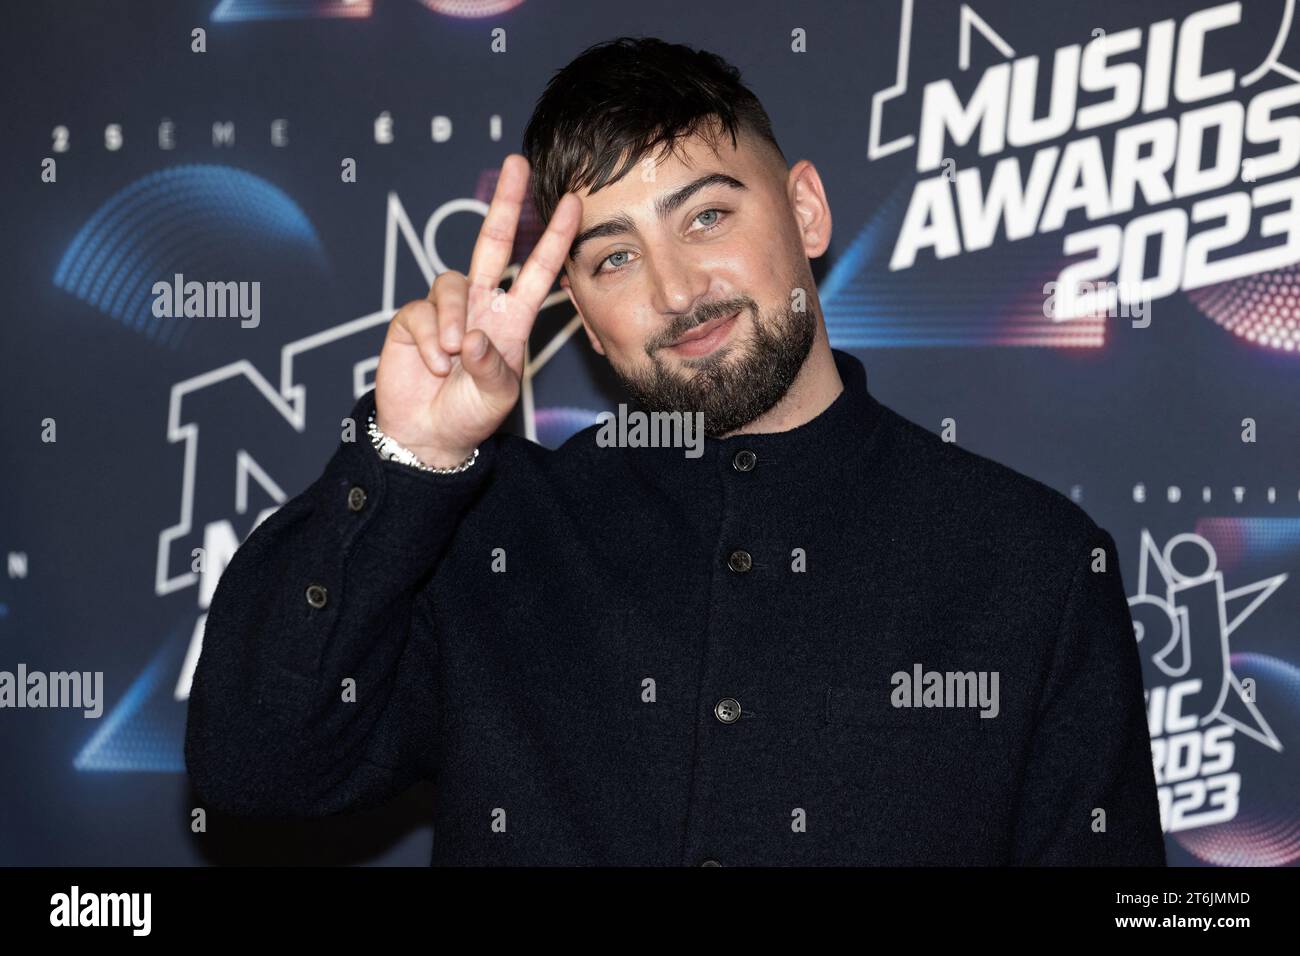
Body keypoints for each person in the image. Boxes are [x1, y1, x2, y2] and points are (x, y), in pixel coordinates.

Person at [184, 36, 1166, 866]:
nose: (676, 286)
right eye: (613, 256)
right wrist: (406, 454)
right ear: (583, 316)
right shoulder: (484, 531)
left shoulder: (1031, 562)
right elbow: (260, 766)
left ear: (806, 210)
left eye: (706, 213)